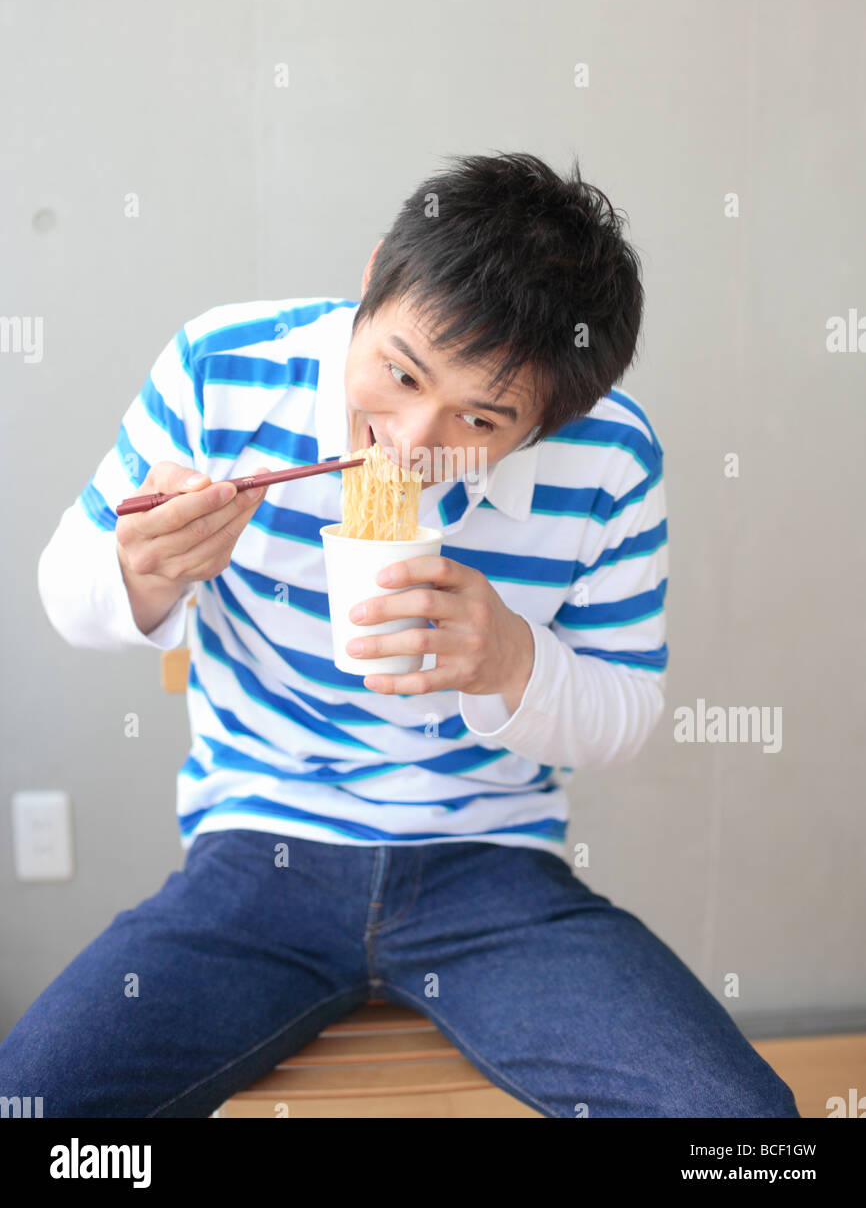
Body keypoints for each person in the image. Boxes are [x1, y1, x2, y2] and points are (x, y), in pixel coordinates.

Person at [0, 151, 799, 1118]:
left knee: (745, 1132)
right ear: (376, 273)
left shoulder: (613, 458)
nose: (415, 441)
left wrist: (512, 661)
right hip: (261, 849)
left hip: (494, 871)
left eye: (481, 416)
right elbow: (62, 594)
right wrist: (143, 569)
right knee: (33, 1104)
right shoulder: (224, 371)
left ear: (551, 422)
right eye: (401, 371)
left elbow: (625, 712)